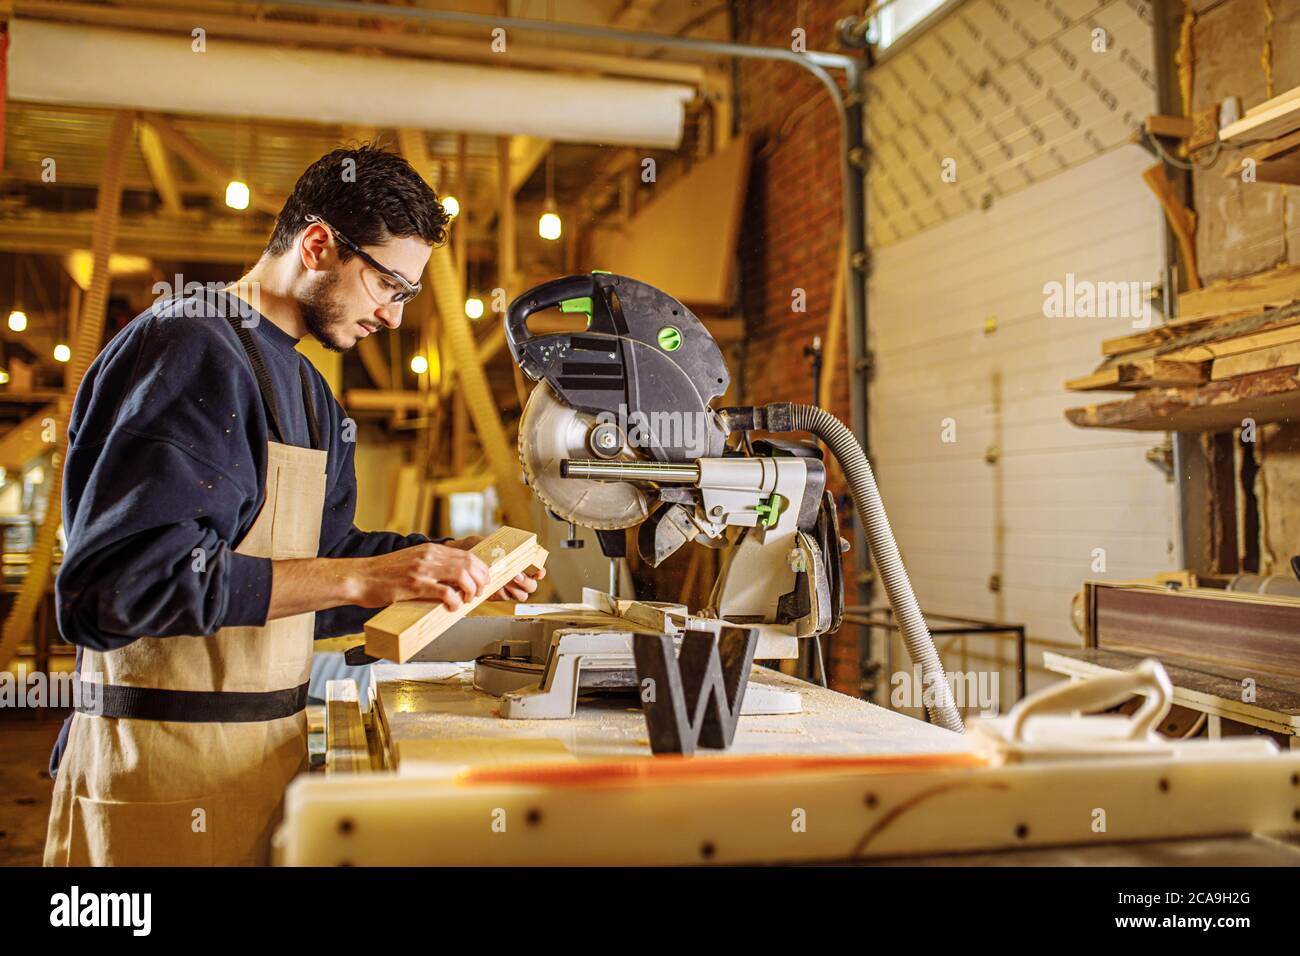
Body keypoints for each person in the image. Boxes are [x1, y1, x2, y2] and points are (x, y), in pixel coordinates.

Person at [43, 145, 543, 866]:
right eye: (388, 286)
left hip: (262, 769)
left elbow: (312, 572)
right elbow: (115, 590)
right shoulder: (190, 346)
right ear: (317, 245)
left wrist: (437, 567)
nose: (395, 318)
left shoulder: (310, 392)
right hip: (155, 775)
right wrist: (364, 580)